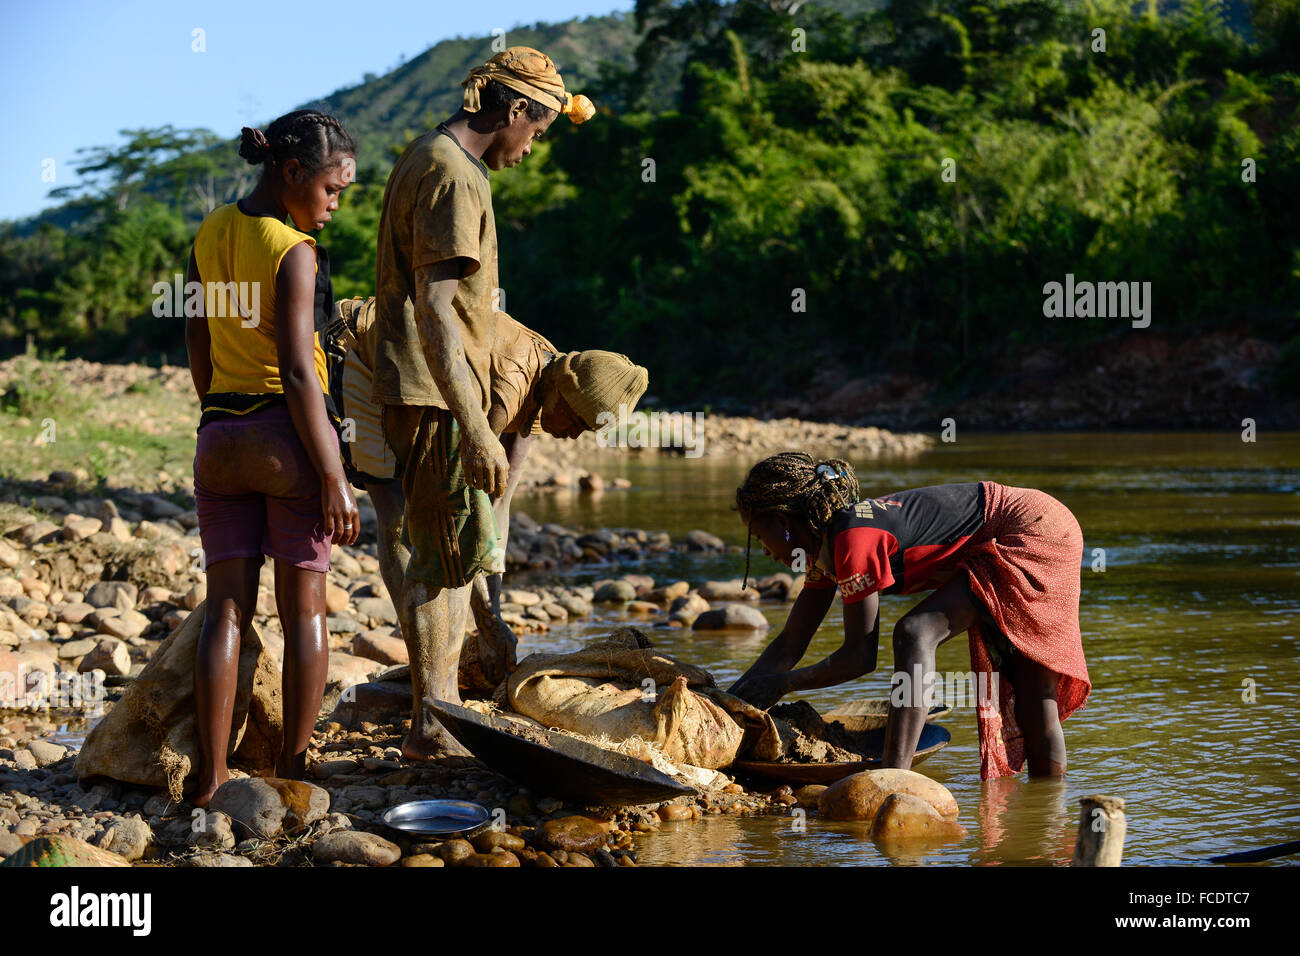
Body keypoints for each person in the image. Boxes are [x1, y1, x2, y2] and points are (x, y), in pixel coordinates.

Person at [368, 46, 595, 758]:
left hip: (426, 385)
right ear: (516, 109)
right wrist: (474, 425)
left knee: (445, 555)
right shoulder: (454, 175)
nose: (533, 147)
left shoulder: (431, 156)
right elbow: (437, 310)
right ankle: (435, 726)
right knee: (442, 564)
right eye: (537, 130)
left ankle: (434, 715)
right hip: (435, 391)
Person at [328, 294, 648, 692]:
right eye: (578, 422)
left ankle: (438, 658)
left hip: (421, 369)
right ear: (563, 392)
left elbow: (499, 503)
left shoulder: (547, 378)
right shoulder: (506, 391)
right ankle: (425, 664)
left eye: (587, 431)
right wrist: (488, 623)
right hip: (361, 345)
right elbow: (464, 507)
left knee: (442, 520)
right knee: (395, 509)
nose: (572, 436)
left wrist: (492, 615)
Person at [185, 110, 360, 806]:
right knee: (305, 611)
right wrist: (332, 476)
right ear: (290, 174)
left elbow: (197, 339)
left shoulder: (209, 231)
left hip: (218, 436)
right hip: (287, 439)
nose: (335, 206)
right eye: (332, 190)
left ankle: (209, 778)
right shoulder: (293, 249)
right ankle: (294, 763)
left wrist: (217, 415)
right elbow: (296, 371)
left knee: (224, 609)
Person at [728, 452, 1091, 779]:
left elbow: (859, 656)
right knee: (1031, 694)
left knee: (915, 632)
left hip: (1030, 529)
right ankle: (1047, 820)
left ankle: (894, 776)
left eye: (760, 537)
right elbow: (790, 642)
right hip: (1047, 518)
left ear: (782, 522)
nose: (765, 551)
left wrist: (785, 683)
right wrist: (726, 700)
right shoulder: (824, 553)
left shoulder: (853, 541)